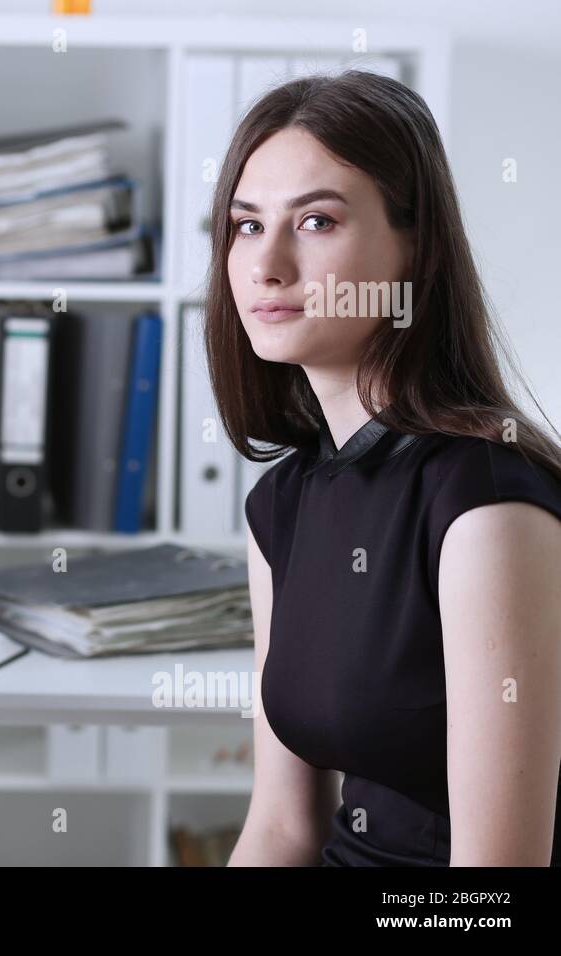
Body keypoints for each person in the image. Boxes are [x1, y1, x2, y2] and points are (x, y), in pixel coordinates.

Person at [212, 70, 561, 866]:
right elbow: (282, 828)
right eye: (244, 226)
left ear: (414, 250)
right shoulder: (284, 504)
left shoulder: (487, 506)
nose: (267, 264)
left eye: (317, 220)